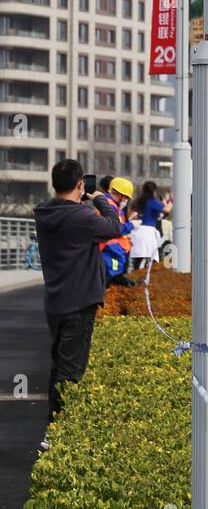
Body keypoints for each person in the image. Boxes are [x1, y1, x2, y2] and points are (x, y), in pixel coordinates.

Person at [33, 159, 123, 442]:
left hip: (57, 301)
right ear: (80, 184)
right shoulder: (81, 217)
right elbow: (113, 227)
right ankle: (56, 432)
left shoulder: (45, 213)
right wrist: (102, 199)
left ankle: (54, 426)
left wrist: (87, 201)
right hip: (79, 302)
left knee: (59, 366)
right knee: (70, 371)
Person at [98, 177, 136, 286]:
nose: (126, 200)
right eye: (126, 197)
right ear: (120, 194)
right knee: (108, 280)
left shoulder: (112, 205)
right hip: (109, 250)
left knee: (111, 279)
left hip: (112, 251)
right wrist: (132, 225)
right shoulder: (110, 206)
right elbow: (116, 229)